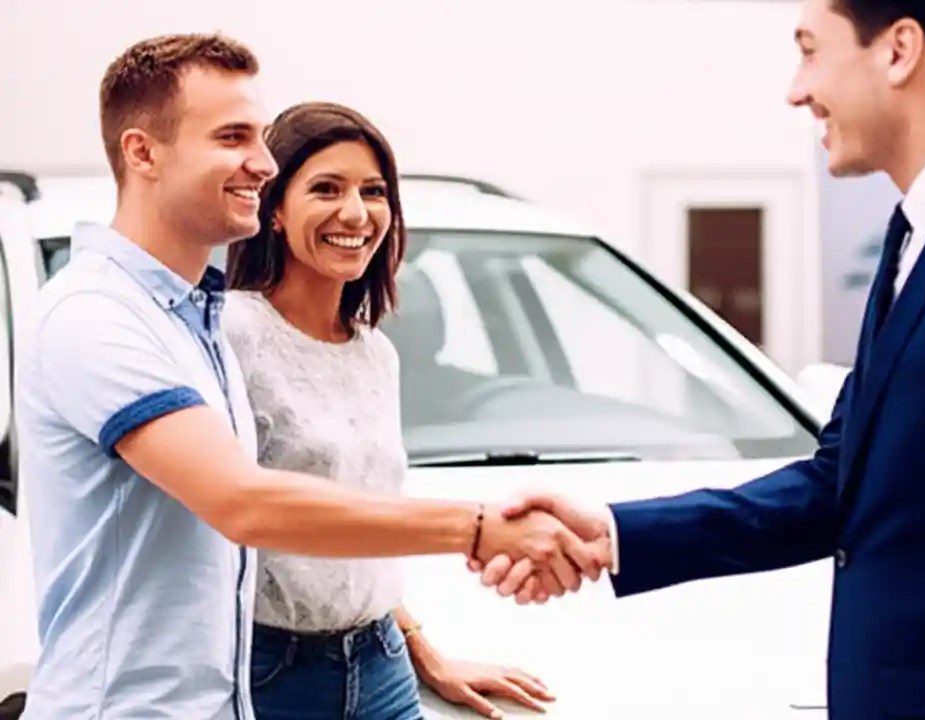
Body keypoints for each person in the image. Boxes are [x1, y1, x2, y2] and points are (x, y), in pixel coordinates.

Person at [477, 1, 925, 718]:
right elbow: (840, 484)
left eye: (810, 51)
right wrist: (613, 533)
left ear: (899, 50)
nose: (796, 90)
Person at [15, 33, 602, 720]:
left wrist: (412, 638)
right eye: (233, 137)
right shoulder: (98, 316)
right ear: (142, 152)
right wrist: (478, 528)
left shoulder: (192, 320)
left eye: (261, 138)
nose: (263, 164)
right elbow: (245, 504)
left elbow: (321, 509)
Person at [222, 101, 554, 720]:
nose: (356, 213)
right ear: (274, 210)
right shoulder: (232, 334)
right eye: (326, 189)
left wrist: (425, 652)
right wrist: (475, 529)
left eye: (373, 192)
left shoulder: (376, 353)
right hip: (268, 671)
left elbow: (365, 524)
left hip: (381, 666)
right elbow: (233, 515)